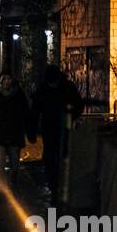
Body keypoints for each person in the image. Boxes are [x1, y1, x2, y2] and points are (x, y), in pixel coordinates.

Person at [30, 64, 85, 204]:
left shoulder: (58, 88)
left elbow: (35, 111)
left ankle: (58, 187)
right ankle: (56, 188)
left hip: (60, 127)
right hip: (53, 128)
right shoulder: (63, 87)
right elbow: (35, 111)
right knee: (52, 158)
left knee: (59, 158)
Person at [0, 73, 32, 186]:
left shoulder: (18, 94)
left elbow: (25, 112)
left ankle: (13, 184)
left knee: (14, 165)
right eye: (5, 79)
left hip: (13, 133)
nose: (7, 81)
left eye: (9, 78)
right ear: (1, 80)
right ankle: (3, 190)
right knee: (0, 165)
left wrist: (29, 131)